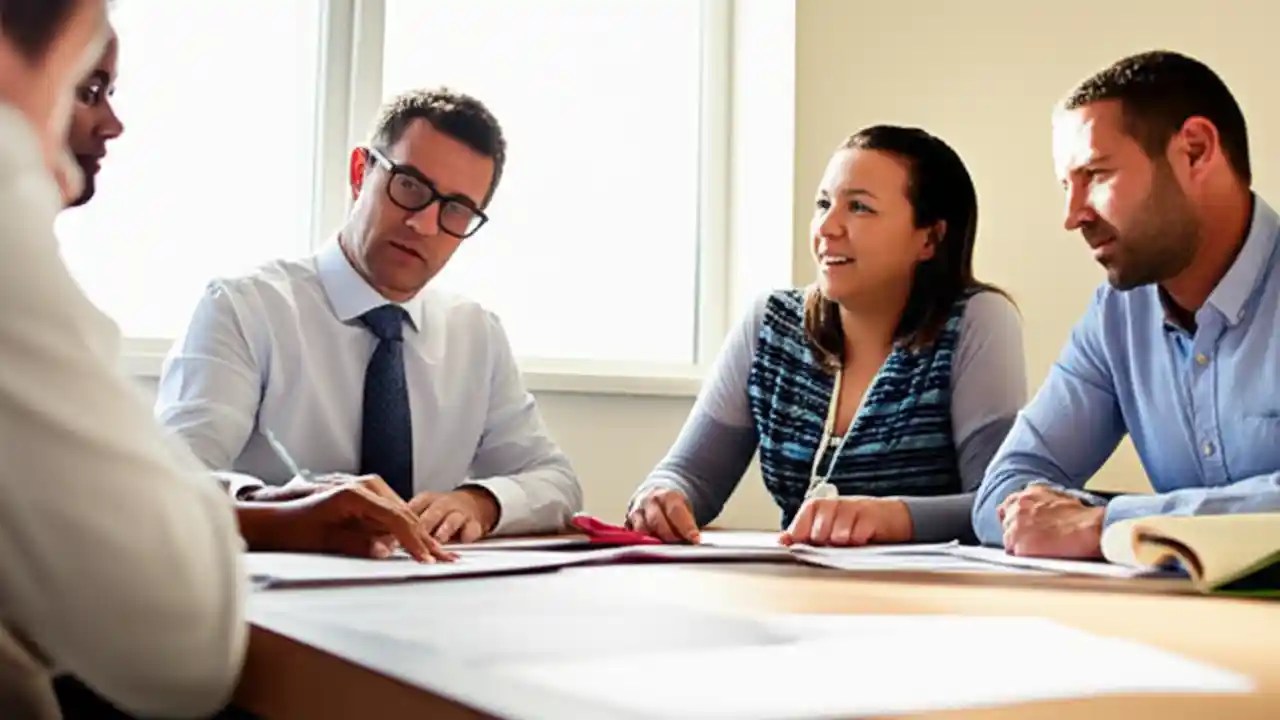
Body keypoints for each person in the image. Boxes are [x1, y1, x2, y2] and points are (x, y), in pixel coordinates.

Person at [156, 87, 582, 544]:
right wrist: (286, 504)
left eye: (455, 210)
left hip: (430, 595)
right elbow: (170, 481)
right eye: (410, 186)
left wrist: (479, 501)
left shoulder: (477, 334)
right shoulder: (245, 308)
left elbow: (557, 481)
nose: (423, 224)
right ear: (361, 172)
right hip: (278, 593)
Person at [0, 1, 243, 716]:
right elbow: (183, 641)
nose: (110, 125)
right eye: (82, 84)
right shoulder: (243, 300)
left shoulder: (473, 331)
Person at [628, 125, 1026, 546]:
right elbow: (690, 474)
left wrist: (893, 517)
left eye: (859, 207)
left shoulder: (977, 320)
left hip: (934, 598)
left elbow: (996, 502)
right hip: (801, 589)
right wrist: (663, 496)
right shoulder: (771, 323)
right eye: (823, 204)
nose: (827, 227)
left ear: (930, 238)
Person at [974, 50, 1280, 558]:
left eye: (1095, 174)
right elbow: (1002, 494)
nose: (1072, 217)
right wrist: (1077, 519)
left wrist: (1107, 522)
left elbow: (1074, 520)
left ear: (1196, 151)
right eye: (1065, 186)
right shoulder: (1115, 318)